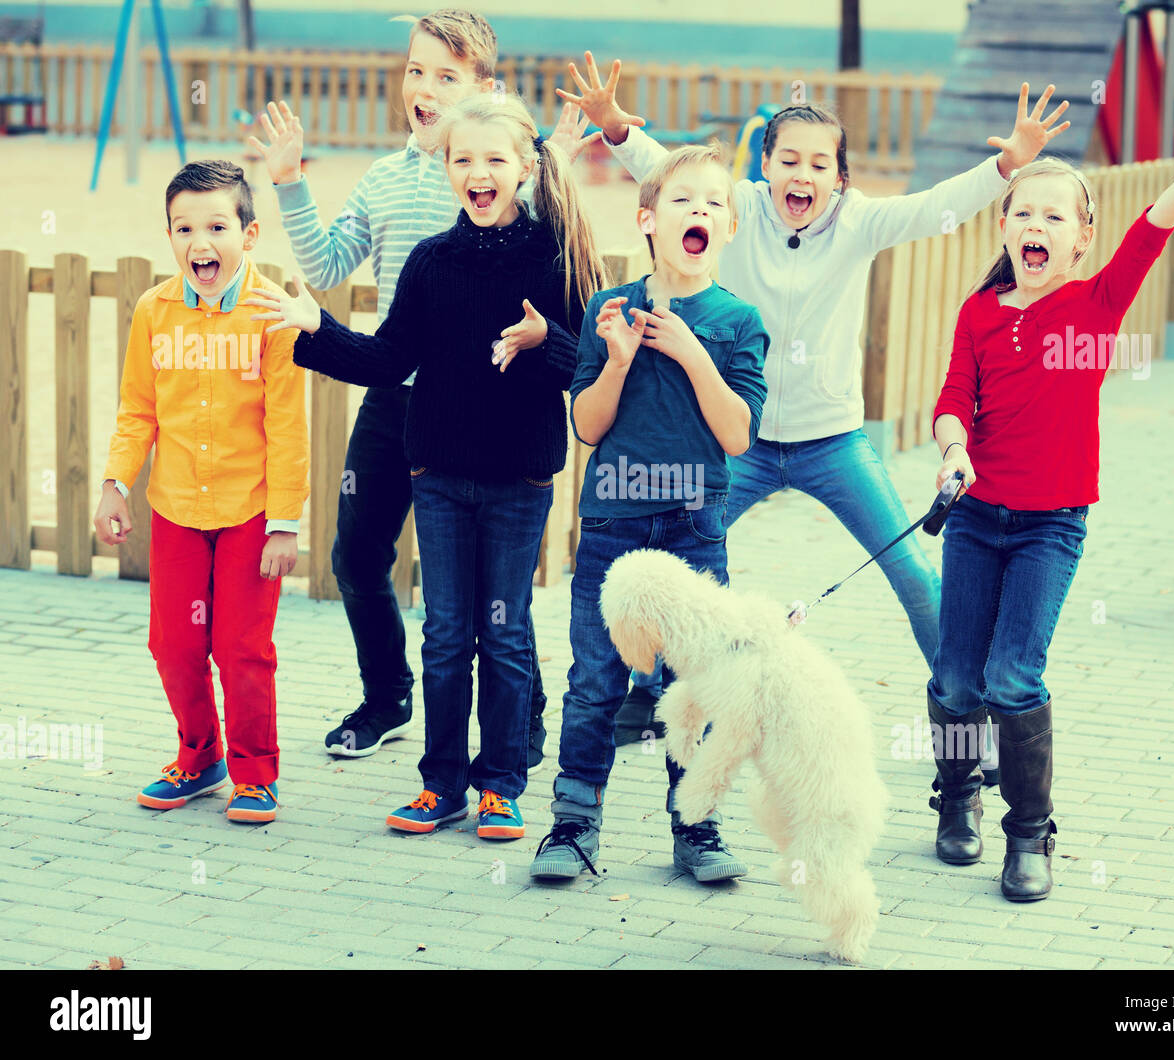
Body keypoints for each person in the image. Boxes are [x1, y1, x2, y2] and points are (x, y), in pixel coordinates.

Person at [561, 57, 1067, 759]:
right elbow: (669, 173)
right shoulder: (733, 213)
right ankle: (647, 695)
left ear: (839, 176)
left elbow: (933, 208)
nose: (803, 175)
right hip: (743, 443)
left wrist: (1008, 166)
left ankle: (965, 722)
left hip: (834, 443)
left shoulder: (858, 223)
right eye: (789, 160)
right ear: (764, 166)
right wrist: (614, 127)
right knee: (668, 556)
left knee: (918, 575)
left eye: (820, 164)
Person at [927, 103, 1174, 901]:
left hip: (1051, 526)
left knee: (1012, 678)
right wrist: (953, 450)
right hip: (976, 521)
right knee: (955, 680)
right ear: (1007, 227)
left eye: (1055, 216)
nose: (1035, 224)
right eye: (1023, 211)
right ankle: (955, 798)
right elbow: (953, 399)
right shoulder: (980, 315)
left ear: (1080, 240)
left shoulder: (1094, 306)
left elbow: (1150, 231)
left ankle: (1030, 833)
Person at [247, 9, 596, 769]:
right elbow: (330, 266)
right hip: (400, 394)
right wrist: (289, 183)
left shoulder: (505, 175)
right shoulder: (387, 178)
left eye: (447, 74)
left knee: (495, 596)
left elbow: (558, 290)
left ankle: (520, 722)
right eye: (416, 70)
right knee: (356, 558)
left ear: (483, 88)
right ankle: (387, 697)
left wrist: (551, 167)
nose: (427, 88)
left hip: (497, 405)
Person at [529, 143, 769, 883]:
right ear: (648, 221)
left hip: (695, 529)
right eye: (681, 200)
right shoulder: (610, 308)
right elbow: (588, 428)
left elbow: (737, 433)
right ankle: (573, 824)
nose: (698, 210)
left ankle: (695, 827)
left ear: (727, 227)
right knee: (596, 679)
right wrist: (620, 360)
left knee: (691, 686)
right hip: (613, 528)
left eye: (712, 203)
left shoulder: (738, 321)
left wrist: (695, 355)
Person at [95, 160, 309, 825]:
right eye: (184, 227)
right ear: (169, 235)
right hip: (178, 509)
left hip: (250, 512)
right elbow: (137, 411)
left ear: (249, 235)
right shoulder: (153, 312)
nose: (200, 242)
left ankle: (254, 772)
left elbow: (286, 423)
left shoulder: (271, 314)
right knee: (175, 644)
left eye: (217, 225)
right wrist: (114, 483)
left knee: (241, 646)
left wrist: (284, 522)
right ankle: (199, 756)